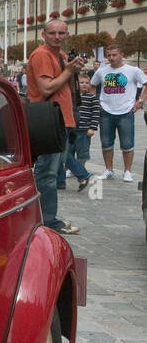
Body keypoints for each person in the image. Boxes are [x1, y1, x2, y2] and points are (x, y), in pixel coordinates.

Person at [27, 19, 84, 236]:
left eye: (61, 33)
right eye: (53, 33)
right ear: (43, 34)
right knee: (47, 174)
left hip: (60, 119)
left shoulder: (59, 55)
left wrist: (71, 70)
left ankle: (48, 217)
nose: (57, 37)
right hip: (49, 119)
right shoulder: (42, 55)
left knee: (51, 172)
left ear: (67, 34)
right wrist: (69, 72)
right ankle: (47, 219)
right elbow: (46, 88)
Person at [91, 44, 146, 182]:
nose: (111, 58)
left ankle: (127, 171)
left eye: (114, 55)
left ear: (121, 54)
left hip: (125, 111)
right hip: (106, 111)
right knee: (106, 143)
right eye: (109, 55)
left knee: (127, 143)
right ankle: (108, 169)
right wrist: (96, 102)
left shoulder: (132, 70)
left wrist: (140, 101)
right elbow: (93, 85)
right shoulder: (102, 71)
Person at [75, 72, 98, 164]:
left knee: (82, 152)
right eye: (82, 82)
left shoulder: (92, 97)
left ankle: (81, 168)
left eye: (86, 83)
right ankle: (70, 168)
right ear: (77, 84)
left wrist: (92, 128)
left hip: (85, 130)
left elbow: (95, 114)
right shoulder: (72, 96)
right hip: (72, 129)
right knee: (70, 150)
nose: (84, 84)